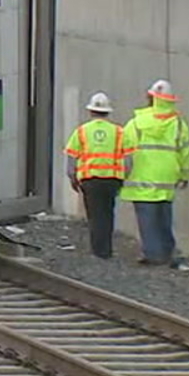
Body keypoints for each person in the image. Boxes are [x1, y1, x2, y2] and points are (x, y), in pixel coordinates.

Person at [120, 79, 189, 269]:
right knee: (164, 216)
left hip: (141, 176)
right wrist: (185, 175)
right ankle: (167, 251)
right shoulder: (178, 124)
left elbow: (124, 150)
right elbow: (186, 152)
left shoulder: (135, 123)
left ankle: (153, 254)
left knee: (147, 218)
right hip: (167, 178)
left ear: (150, 98)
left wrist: (122, 174)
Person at [63, 92, 126, 260]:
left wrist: (73, 178)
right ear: (108, 112)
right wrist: (123, 178)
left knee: (95, 215)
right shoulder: (119, 132)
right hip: (112, 179)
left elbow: (71, 157)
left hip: (90, 179)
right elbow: (128, 158)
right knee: (108, 213)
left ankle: (99, 251)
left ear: (91, 111)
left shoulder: (82, 131)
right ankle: (106, 249)